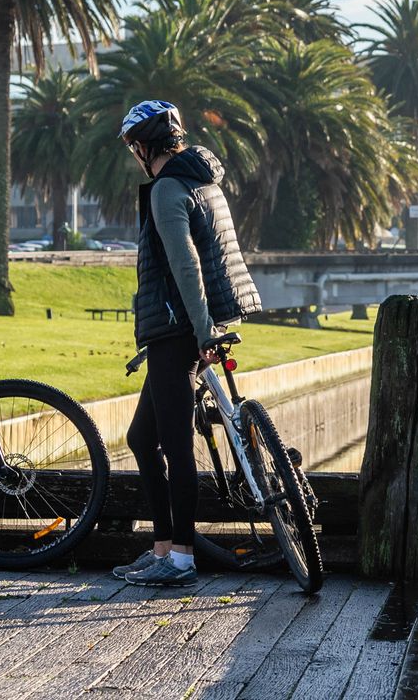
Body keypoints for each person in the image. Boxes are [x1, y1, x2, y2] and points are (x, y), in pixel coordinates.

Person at [115, 100, 262, 587]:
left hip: (177, 329)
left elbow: (187, 265)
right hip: (186, 326)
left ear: (140, 146)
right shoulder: (203, 180)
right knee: (141, 438)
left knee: (176, 445)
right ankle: (162, 547)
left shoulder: (167, 188)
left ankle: (180, 558)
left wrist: (201, 331)